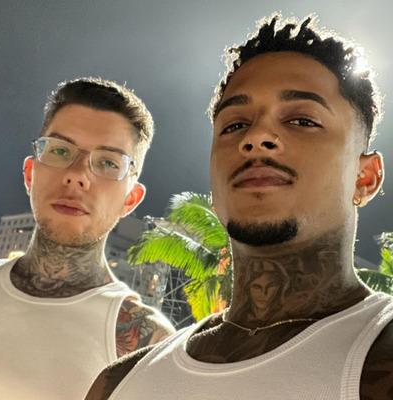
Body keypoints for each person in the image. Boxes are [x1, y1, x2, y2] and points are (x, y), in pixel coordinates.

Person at [85, 14, 393, 400]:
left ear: (365, 177)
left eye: (302, 120)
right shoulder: (118, 383)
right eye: (234, 125)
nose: (257, 136)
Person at [0, 77, 174, 400]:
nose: (77, 175)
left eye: (108, 163)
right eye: (61, 150)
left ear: (130, 200)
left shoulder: (148, 344)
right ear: (30, 174)